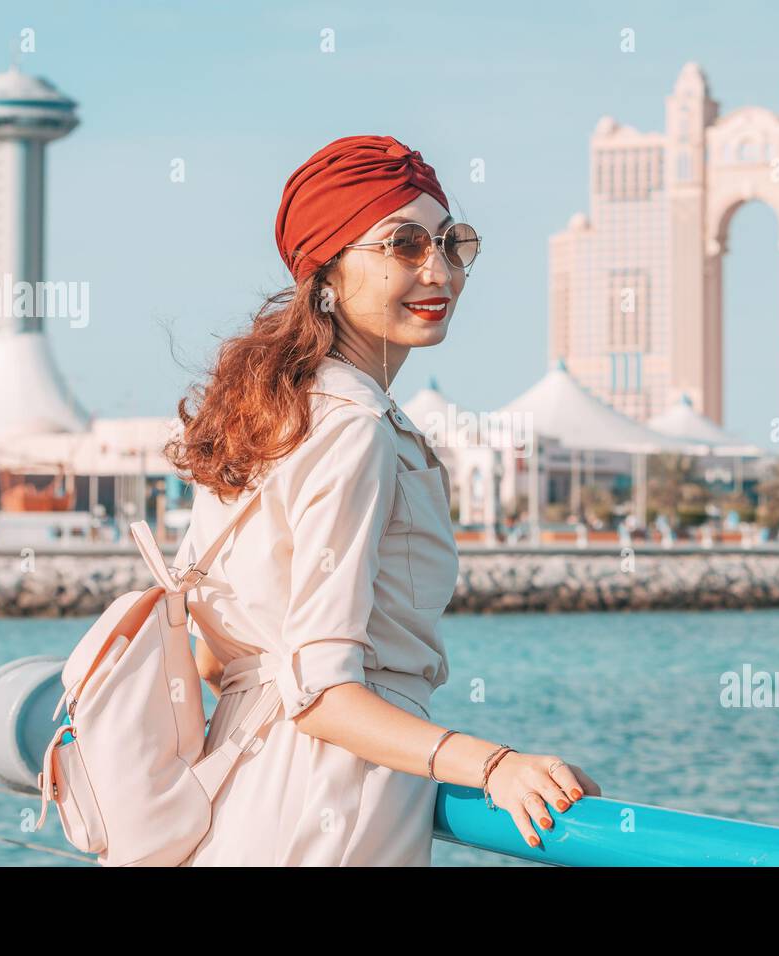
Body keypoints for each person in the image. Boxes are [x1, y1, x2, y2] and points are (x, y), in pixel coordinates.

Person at [163, 134, 601, 866]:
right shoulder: (352, 427)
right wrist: (496, 767)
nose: (440, 270)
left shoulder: (273, 415)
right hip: (330, 806)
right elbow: (323, 695)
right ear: (328, 269)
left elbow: (215, 655)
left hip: (243, 792)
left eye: (453, 243)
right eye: (403, 244)